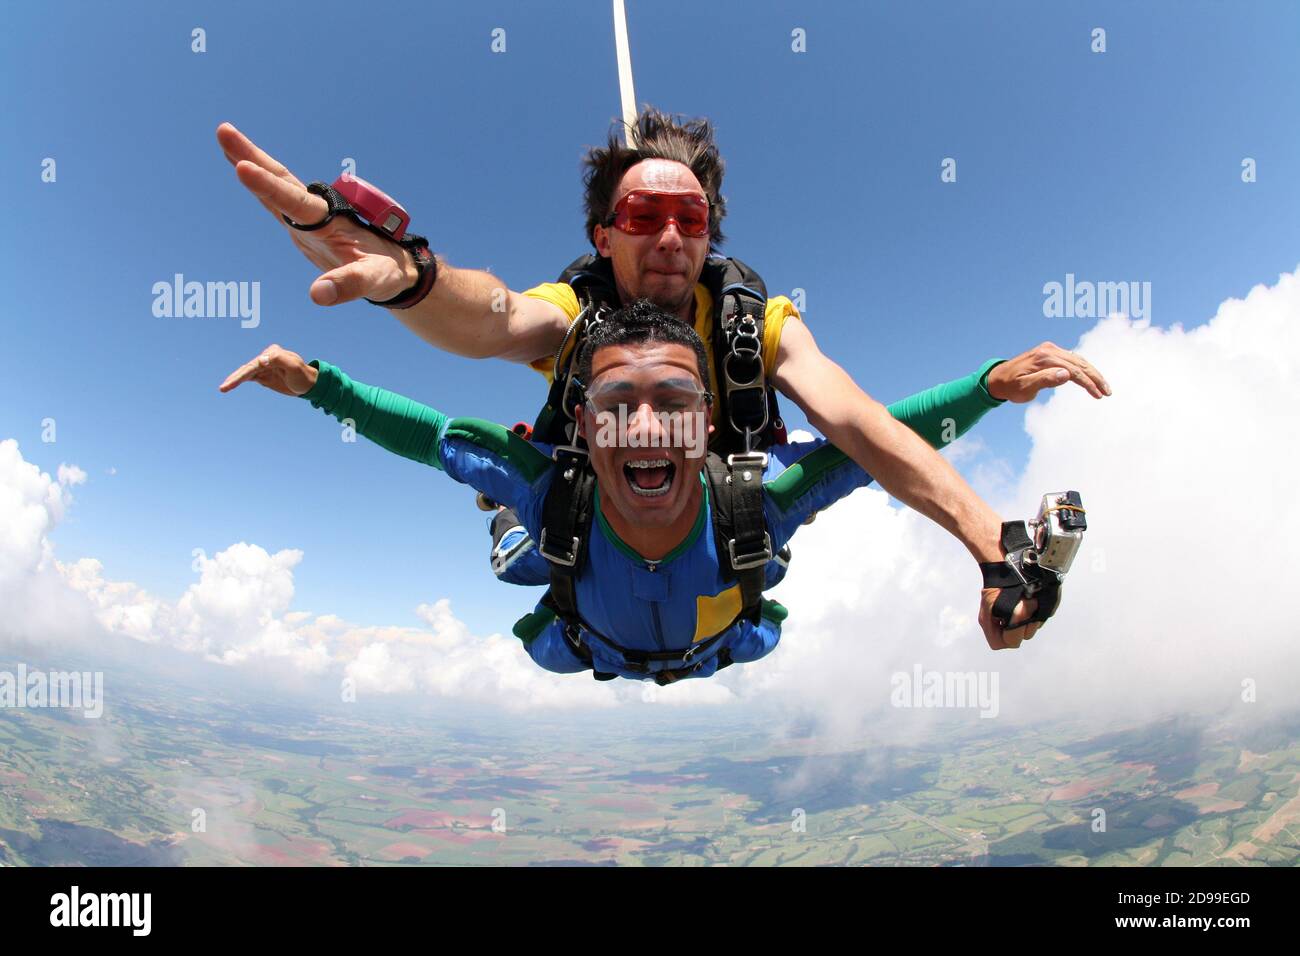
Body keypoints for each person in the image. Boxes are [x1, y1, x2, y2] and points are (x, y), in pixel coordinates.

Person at [215, 109, 1112, 594]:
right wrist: (412, 276)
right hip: (591, 516)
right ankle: (509, 521)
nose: (672, 237)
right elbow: (491, 319)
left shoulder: (754, 322)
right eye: (643, 219)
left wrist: (993, 539)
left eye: (692, 219)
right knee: (526, 532)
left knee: (769, 515)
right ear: (603, 237)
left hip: (715, 513)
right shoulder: (578, 310)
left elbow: (860, 428)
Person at [219, 302, 1052, 687]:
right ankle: (506, 521)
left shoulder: (750, 505)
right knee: (520, 535)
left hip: (711, 641)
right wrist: (318, 386)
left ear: (708, 422)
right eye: (618, 407)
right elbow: (431, 435)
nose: (648, 428)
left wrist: (988, 386)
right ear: (581, 421)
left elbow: (878, 439)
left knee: (761, 620)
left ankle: (515, 522)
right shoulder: (553, 494)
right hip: (587, 643)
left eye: (677, 405)